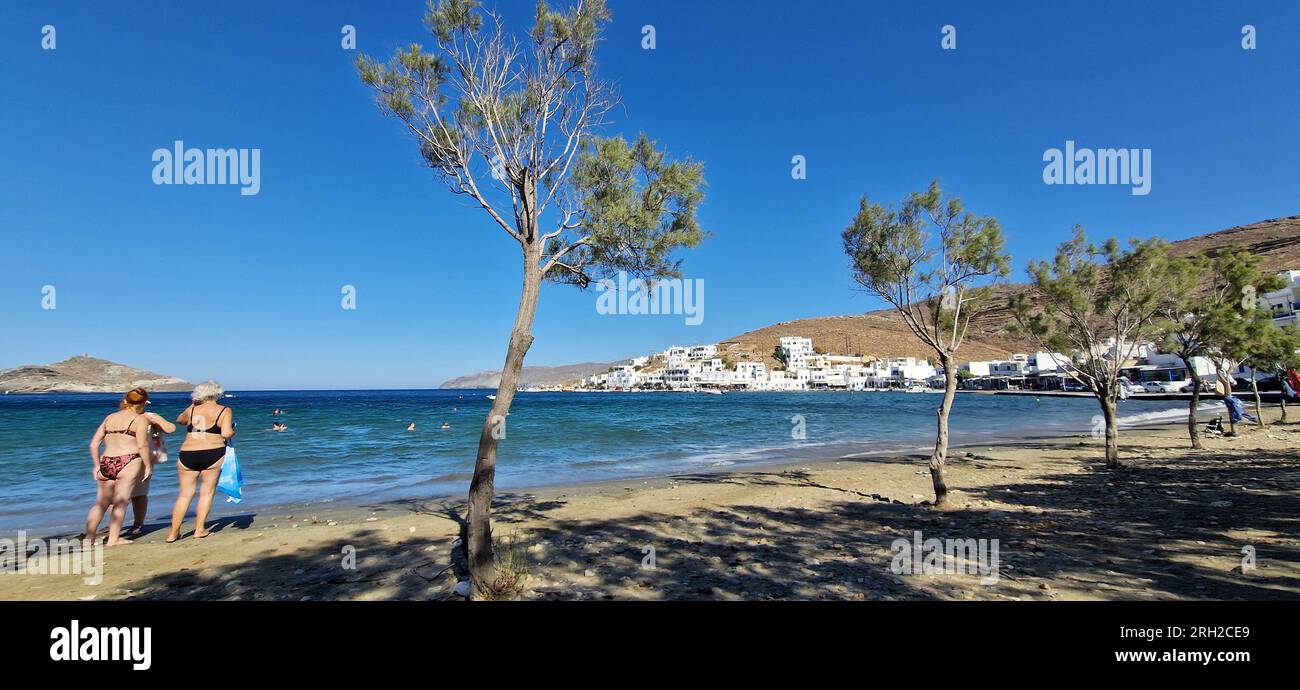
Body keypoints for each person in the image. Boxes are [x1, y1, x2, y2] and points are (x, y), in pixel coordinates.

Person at [166, 380, 235, 542]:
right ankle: (199, 529)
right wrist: (233, 429)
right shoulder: (224, 410)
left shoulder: (193, 409)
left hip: (188, 453)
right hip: (213, 452)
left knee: (184, 494)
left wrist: (191, 406)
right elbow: (226, 433)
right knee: (206, 492)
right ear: (218, 393)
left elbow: (180, 421)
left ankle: (173, 533)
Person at [84, 389, 153, 546]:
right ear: (143, 402)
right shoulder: (140, 420)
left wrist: (96, 465)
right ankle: (113, 539)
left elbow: (93, 444)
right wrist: (148, 466)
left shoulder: (110, 417)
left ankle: (89, 538)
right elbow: (142, 445)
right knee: (120, 502)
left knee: (100, 503)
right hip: (128, 461)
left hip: (107, 461)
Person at [124, 405, 176, 537]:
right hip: (123, 457)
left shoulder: (150, 415)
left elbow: (170, 428)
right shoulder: (120, 416)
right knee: (117, 495)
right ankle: (115, 525)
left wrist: (154, 421)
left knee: (139, 493)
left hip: (143, 458)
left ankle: (138, 524)